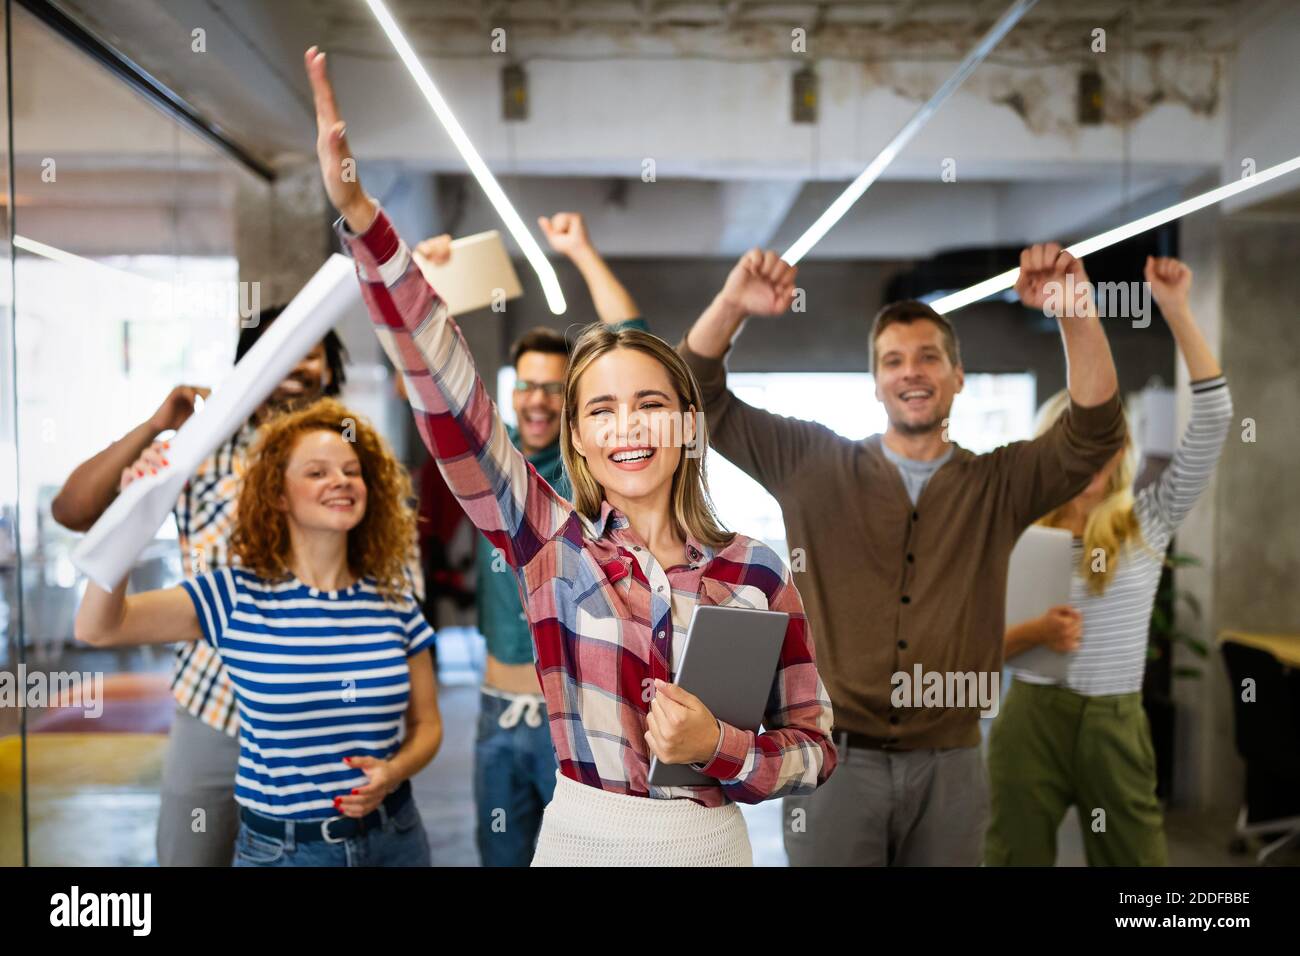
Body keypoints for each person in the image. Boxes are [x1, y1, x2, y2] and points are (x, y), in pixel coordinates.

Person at [306, 44, 835, 866]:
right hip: (582, 839)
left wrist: (721, 745)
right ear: (578, 436)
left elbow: (815, 746)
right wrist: (367, 223)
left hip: (712, 845)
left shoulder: (756, 571)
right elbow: (452, 401)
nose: (628, 427)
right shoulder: (551, 540)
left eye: (651, 404)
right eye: (603, 410)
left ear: (686, 423)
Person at [678, 243, 1127, 865]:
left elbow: (1096, 431)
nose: (911, 371)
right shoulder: (813, 463)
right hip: (831, 759)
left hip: (953, 766)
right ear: (877, 383)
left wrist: (1075, 307)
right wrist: (733, 305)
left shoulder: (999, 483)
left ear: (958, 375)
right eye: (893, 360)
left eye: (928, 357)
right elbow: (696, 395)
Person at [75, 398, 442, 867]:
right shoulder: (232, 596)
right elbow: (98, 627)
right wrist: (131, 518)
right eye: (316, 472)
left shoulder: (395, 602)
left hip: (396, 840)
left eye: (352, 471)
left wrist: (393, 772)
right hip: (283, 853)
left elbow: (428, 725)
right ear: (279, 494)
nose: (341, 481)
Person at [51, 309, 355, 866]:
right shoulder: (203, 450)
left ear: (329, 370)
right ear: (250, 367)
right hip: (214, 706)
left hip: (319, 714)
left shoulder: (353, 466)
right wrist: (157, 424)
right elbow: (71, 510)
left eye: (309, 351)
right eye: (274, 351)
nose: (293, 365)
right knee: (192, 856)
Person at [987, 256, 1233, 866]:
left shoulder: (1150, 517)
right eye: (1075, 445)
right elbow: (972, 645)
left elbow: (1215, 420)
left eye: (1102, 445)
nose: (1092, 463)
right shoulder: (1014, 531)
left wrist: (1176, 309)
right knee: (1011, 860)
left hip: (1114, 717)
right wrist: (1036, 635)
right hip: (1030, 717)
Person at [470, 210, 650, 867]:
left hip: (570, 723)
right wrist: (428, 281)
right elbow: (432, 372)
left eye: (554, 388)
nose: (538, 401)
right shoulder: (491, 464)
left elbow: (632, 340)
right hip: (494, 716)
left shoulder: (584, 470)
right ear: (511, 393)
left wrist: (579, 250)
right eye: (527, 387)